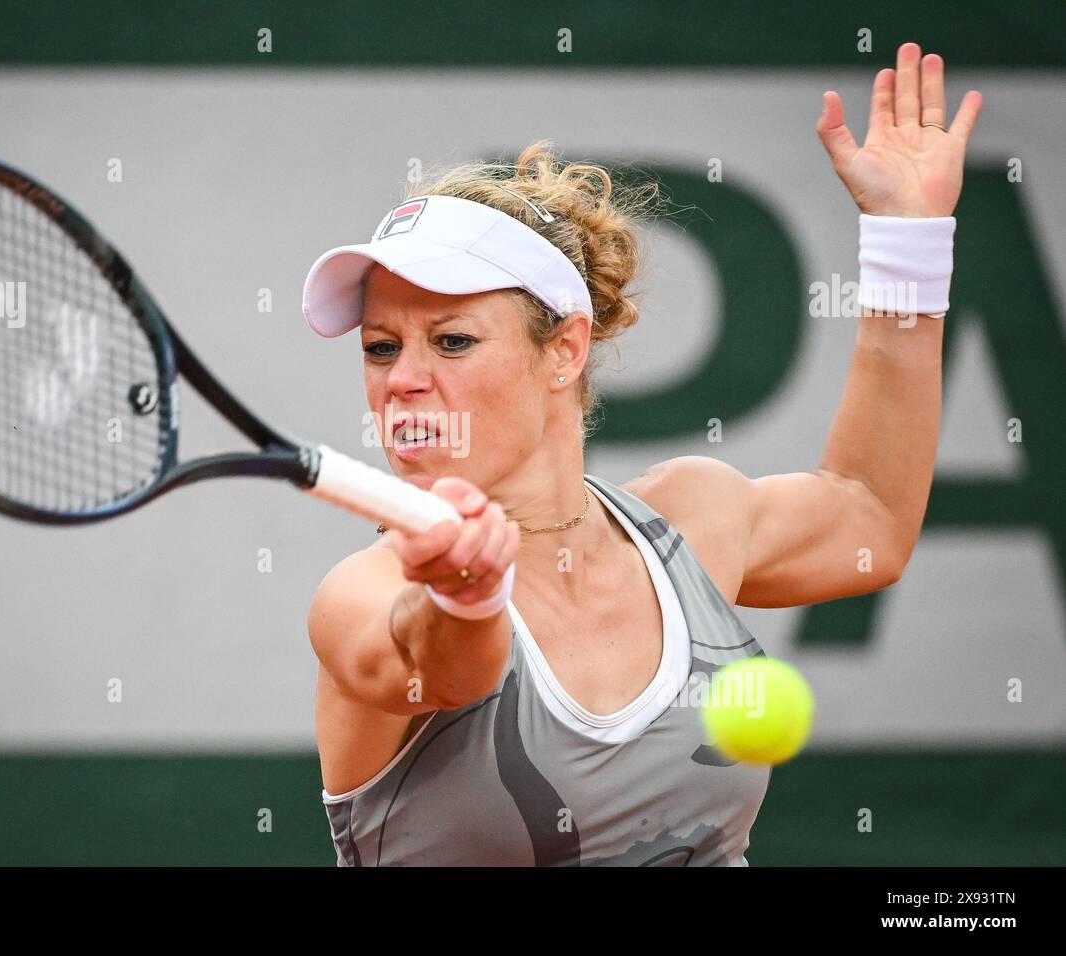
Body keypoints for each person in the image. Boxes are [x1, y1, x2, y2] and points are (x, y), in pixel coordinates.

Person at [301, 42, 982, 865]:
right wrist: (464, 593)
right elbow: (445, 673)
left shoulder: (695, 518)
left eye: (450, 341)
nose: (403, 381)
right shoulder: (362, 596)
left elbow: (870, 515)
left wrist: (907, 247)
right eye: (380, 347)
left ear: (565, 351)